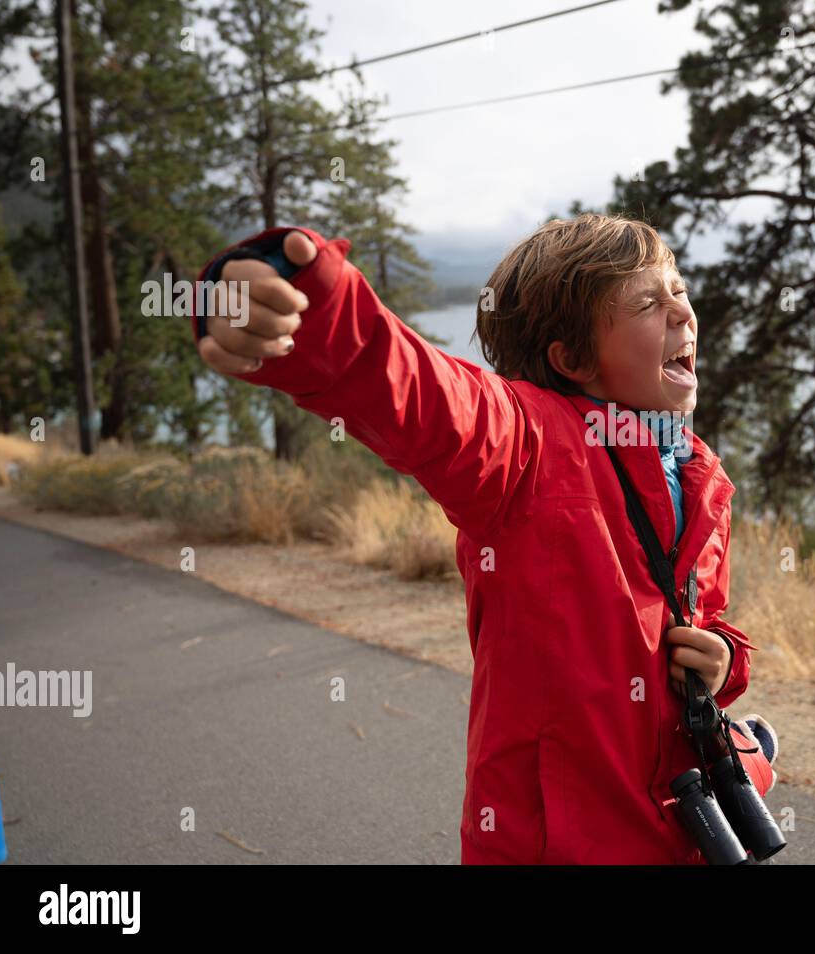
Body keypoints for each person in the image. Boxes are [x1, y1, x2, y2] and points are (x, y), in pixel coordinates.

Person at [190, 214, 774, 864]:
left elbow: (705, 620)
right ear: (572, 360)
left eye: (680, 290)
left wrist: (724, 658)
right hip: (552, 845)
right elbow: (416, 388)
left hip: (680, 833)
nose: (682, 314)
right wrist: (302, 301)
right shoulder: (528, 446)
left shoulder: (699, 476)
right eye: (648, 302)